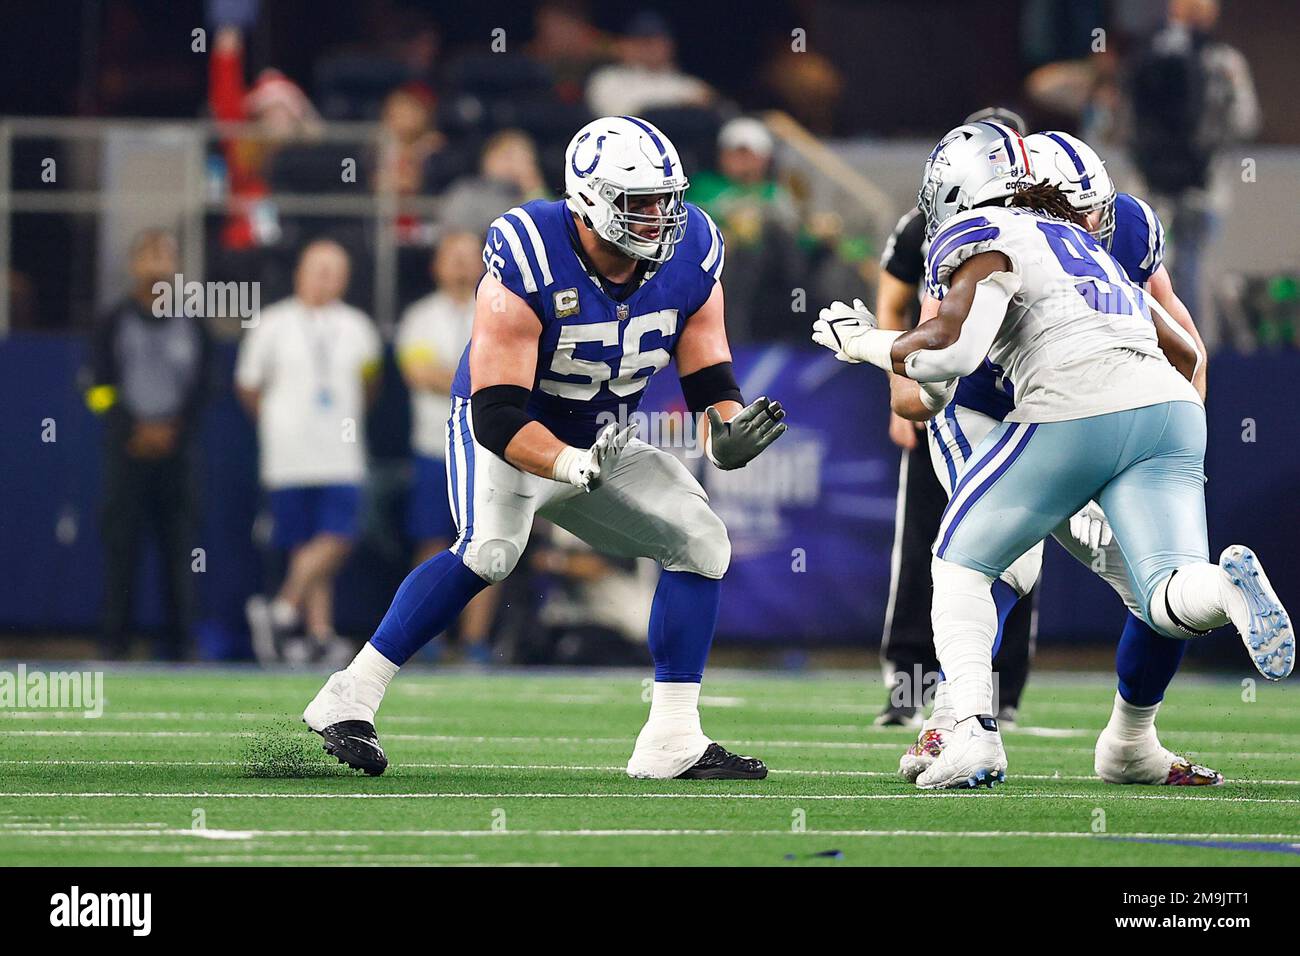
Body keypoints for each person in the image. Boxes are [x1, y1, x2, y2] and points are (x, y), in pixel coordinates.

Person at [302, 116, 787, 779]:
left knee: (701, 541)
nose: (659, 218)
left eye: (666, 201)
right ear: (589, 200)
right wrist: (565, 463)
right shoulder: (529, 249)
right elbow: (496, 413)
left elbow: (708, 373)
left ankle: (672, 738)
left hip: (600, 441)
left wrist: (726, 431)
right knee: (491, 550)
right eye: (638, 203)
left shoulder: (695, 249)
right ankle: (349, 695)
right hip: (512, 429)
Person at [814, 120, 1292, 789]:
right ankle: (1219, 592)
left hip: (1066, 406)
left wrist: (862, 341)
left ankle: (973, 732)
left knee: (963, 561)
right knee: (1157, 592)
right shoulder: (1083, 242)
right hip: (1146, 409)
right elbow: (1187, 353)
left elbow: (945, 354)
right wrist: (1156, 464)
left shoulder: (979, 233)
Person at [892, 128, 1216, 787]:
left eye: (1092, 212)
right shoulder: (981, 236)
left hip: (1092, 404)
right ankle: (956, 720)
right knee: (1006, 556)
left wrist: (1160, 470)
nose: (1081, 228)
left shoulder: (1126, 227)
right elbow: (924, 381)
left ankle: (1132, 742)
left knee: (1152, 588)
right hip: (987, 405)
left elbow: (1186, 347)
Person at [873, 107, 1037, 730]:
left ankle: (994, 690)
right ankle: (912, 682)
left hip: (1020, 396)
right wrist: (901, 386)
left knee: (1017, 545)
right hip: (950, 391)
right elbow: (897, 302)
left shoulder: (1043, 226)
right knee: (927, 539)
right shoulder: (928, 223)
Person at [236, 240, 383, 664]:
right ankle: (319, 633)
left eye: (335, 270)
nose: (325, 277)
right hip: (288, 455)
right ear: (300, 271)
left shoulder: (357, 326)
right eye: (317, 267)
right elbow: (248, 384)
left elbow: (369, 385)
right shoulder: (272, 323)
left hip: (341, 452)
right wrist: (278, 424)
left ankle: (280, 610)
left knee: (338, 535)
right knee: (304, 544)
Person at [86, 229, 211, 660]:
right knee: (122, 546)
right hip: (127, 455)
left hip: (177, 457)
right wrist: (132, 429)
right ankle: (114, 643)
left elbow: (205, 387)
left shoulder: (193, 324)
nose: (157, 265)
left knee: (179, 549)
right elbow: (97, 387)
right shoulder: (111, 321)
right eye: (149, 255)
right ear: (133, 264)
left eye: (165, 255)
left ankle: (179, 644)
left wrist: (173, 431)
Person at [1127, 0, 1260, 349]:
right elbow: (1130, 120)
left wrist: (1210, 139)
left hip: (1204, 185)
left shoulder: (1223, 61)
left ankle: (1205, 356)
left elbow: (1246, 119)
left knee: (1198, 272)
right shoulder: (1148, 56)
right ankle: (1151, 349)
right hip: (1153, 186)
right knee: (1155, 268)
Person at [396, 232, 500, 664]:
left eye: (466, 257)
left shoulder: (496, 308)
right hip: (433, 447)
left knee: (492, 544)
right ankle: (428, 639)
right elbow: (419, 373)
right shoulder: (420, 317)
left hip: (491, 448)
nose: (459, 266)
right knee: (433, 540)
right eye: (450, 257)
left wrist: (458, 379)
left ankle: (475, 643)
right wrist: (481, 383)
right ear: (436, 265)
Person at [690, 117, 804, 343]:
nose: (741, 161)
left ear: (764, 158)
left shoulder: (776, 193)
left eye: (748, 154)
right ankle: (734, 341)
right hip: (724, 264)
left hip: (773, 266)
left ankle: (799, 327)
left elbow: (799, 235)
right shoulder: (704, 186)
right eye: (734, 153)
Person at [585, 11, 712, 118]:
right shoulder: (607, 79)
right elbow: (619, 113)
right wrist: (681, 102)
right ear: (625, 45)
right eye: (641, 42)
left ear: (669, 45)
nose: (648, 49)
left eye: (655, 42)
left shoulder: (689, 84)